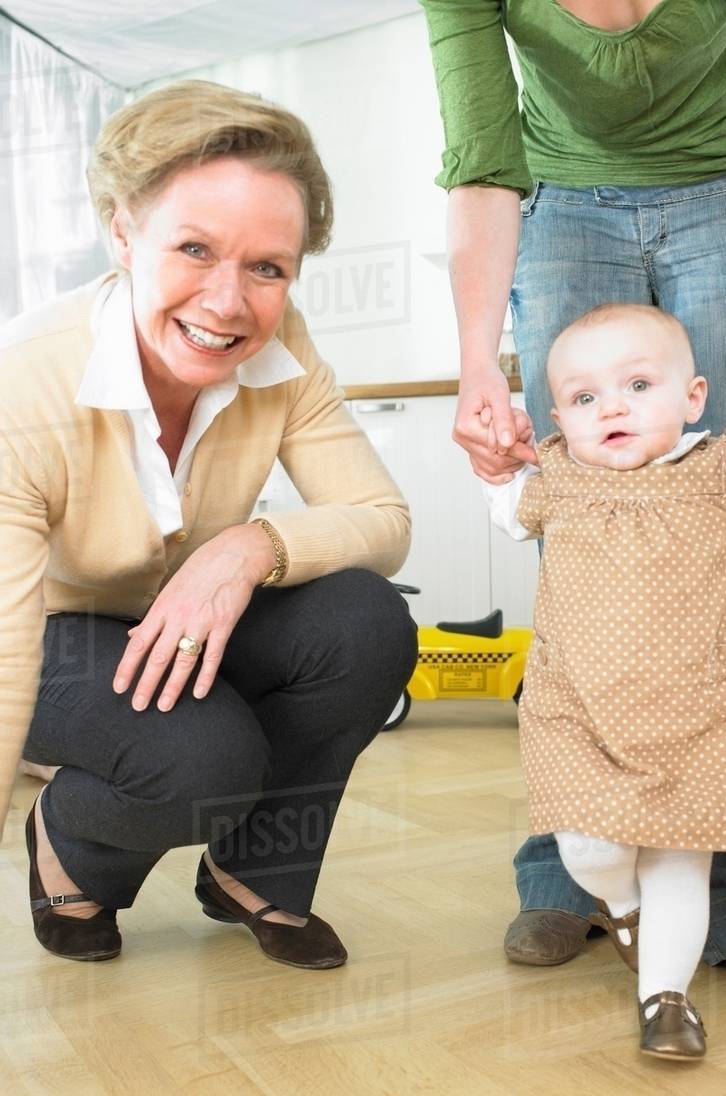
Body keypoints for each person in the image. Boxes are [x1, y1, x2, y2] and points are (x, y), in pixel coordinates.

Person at [420, 0, 726, 1008]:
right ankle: (569, 861)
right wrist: (475, 360)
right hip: (559, 204)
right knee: (573, 545)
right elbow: (483, 154)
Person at [0, 80, 417, 968]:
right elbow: (6, 653)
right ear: (122, 232)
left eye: (267, 267)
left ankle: (256, 876)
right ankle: (69, 846)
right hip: (49, 638)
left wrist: (248, 546)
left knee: (364, 622)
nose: (229, 304)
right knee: (206, 761)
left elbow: (383, 521)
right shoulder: (25, 381)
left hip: (184, 614)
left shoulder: (283, 346)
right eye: (194, 249)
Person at [483, 303, 726, 1056]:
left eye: (638, 384)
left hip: (703, 723)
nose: (611, 406)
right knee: (589, 848)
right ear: (558, 416)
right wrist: (493, 462)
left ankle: (666, 1001)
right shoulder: (557, 475)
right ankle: (621, 908)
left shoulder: (720, 469)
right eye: (584, 398)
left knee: (681, 862)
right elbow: (508, 511)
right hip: (582, 716)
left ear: (694, 398)